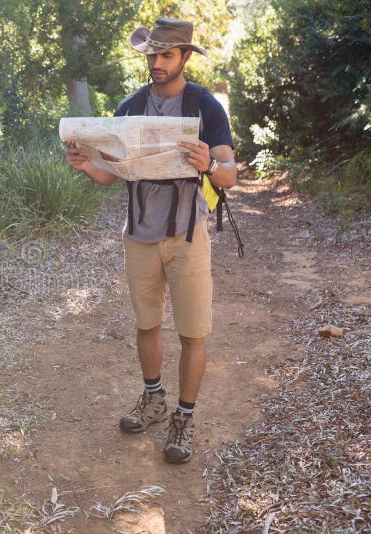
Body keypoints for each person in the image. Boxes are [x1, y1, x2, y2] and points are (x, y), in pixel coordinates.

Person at [65, 17, 237, 464]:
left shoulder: (205, 108)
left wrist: (209, 166)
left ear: (184, 57)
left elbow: (231, 176)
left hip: (187, 235)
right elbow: (109, 174)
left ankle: (184, 416)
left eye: (166, 55)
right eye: (152, 55)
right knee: (146, 325)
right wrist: (86, 165)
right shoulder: (128, 108)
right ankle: (154, 398)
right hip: (138, 235)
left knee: (192, 331)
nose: (157, 63)